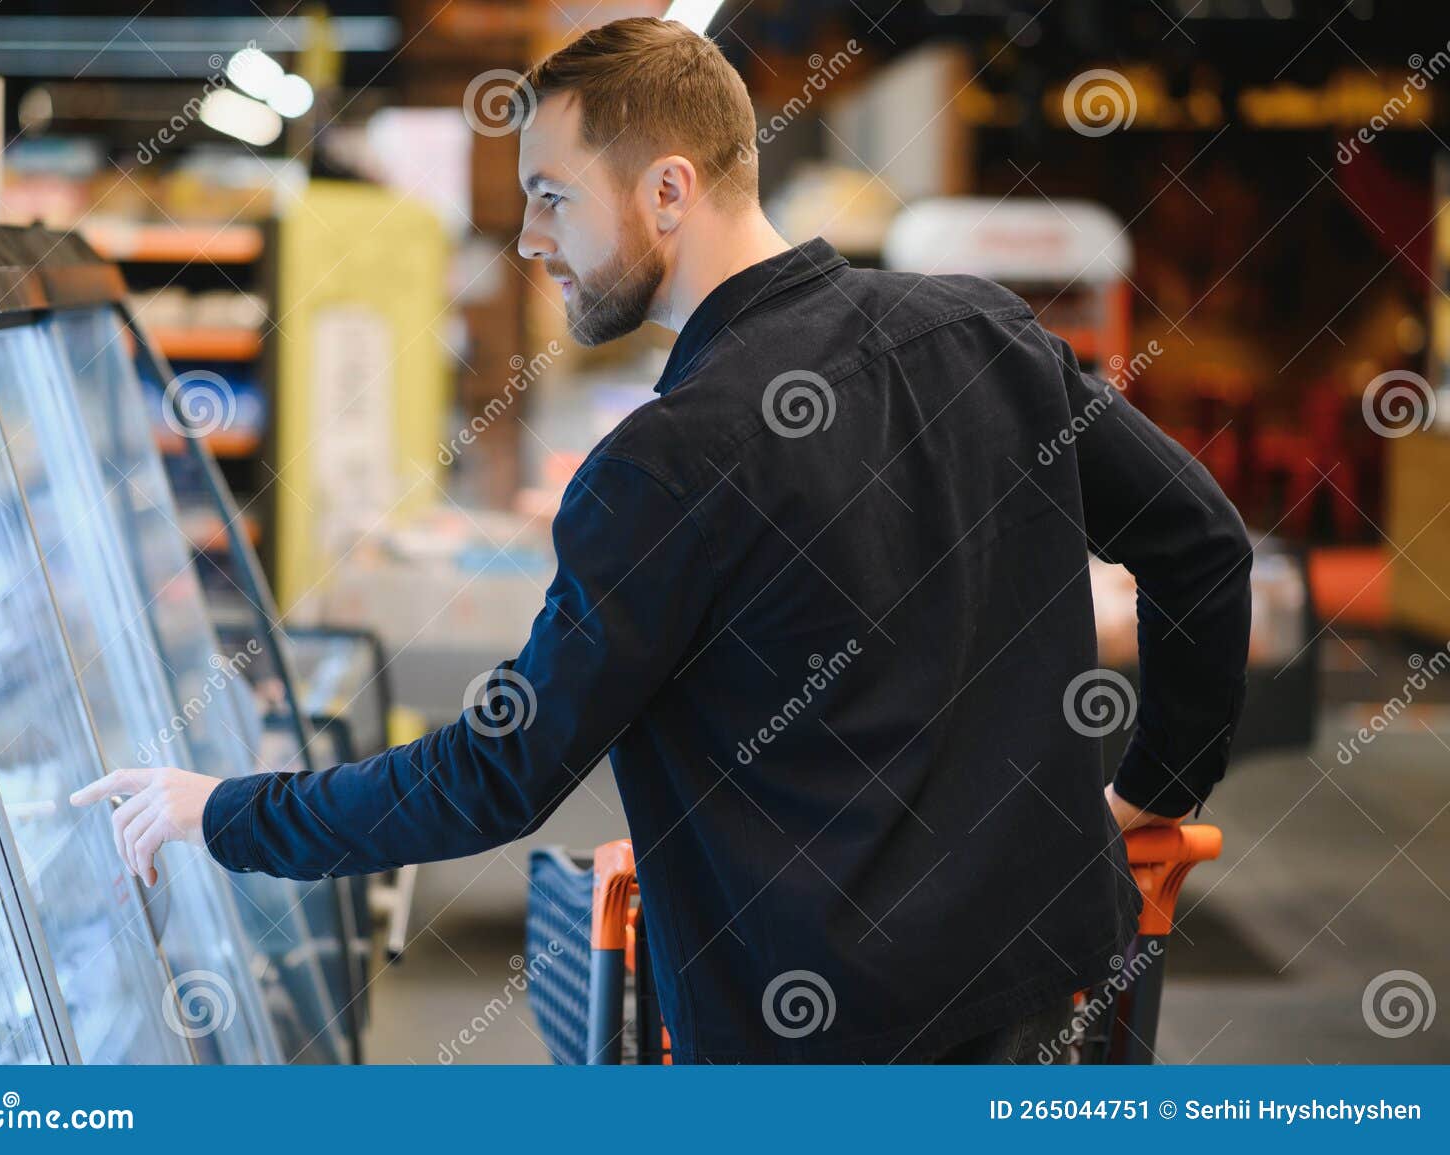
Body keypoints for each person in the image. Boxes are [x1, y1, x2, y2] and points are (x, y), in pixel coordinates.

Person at [73, 17, 1252, 1064]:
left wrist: (221, 810)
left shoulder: (666, 461)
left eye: (553, 195)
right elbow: (1202, 545)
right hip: (1060, 978)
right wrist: (1151, 786)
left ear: (669, 191)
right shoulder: (978, 333)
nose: (533, 238)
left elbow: (496, 774)